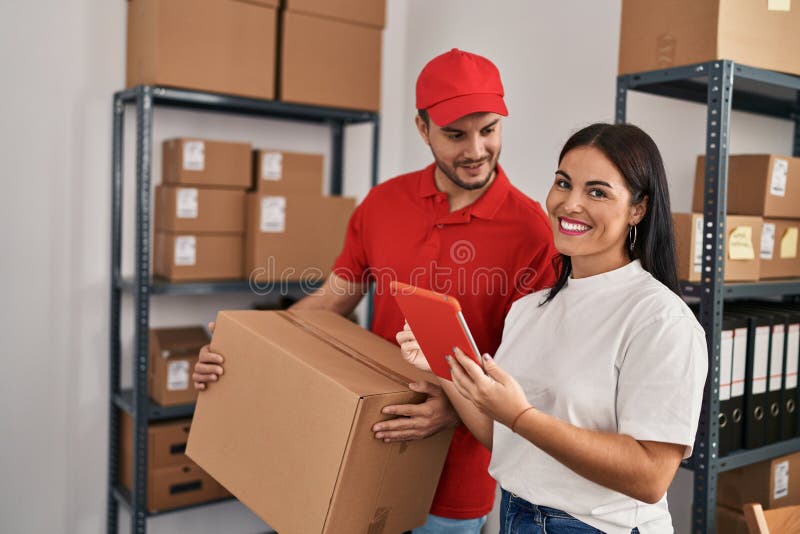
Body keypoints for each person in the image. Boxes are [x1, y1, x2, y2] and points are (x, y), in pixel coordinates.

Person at [192, 48, 558, 533]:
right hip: (365, 443)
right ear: (422, 128)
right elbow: (332, 301)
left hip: (457, 477)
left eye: (488, 129)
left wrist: (455, 408)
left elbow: (532, 370)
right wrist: (245, 346)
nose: (475, 150)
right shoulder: (384, 204)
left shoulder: (532, 230)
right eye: (455, 134)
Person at [397, 123, 708, 534]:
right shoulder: (530, 309)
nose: (570, 204)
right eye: (563, 183)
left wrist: (523, 416)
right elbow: (506, 439)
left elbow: (650, 476)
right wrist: (445, 365)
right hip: (515, 515)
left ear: (638, 208)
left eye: (597, 192)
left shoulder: (660, 319)